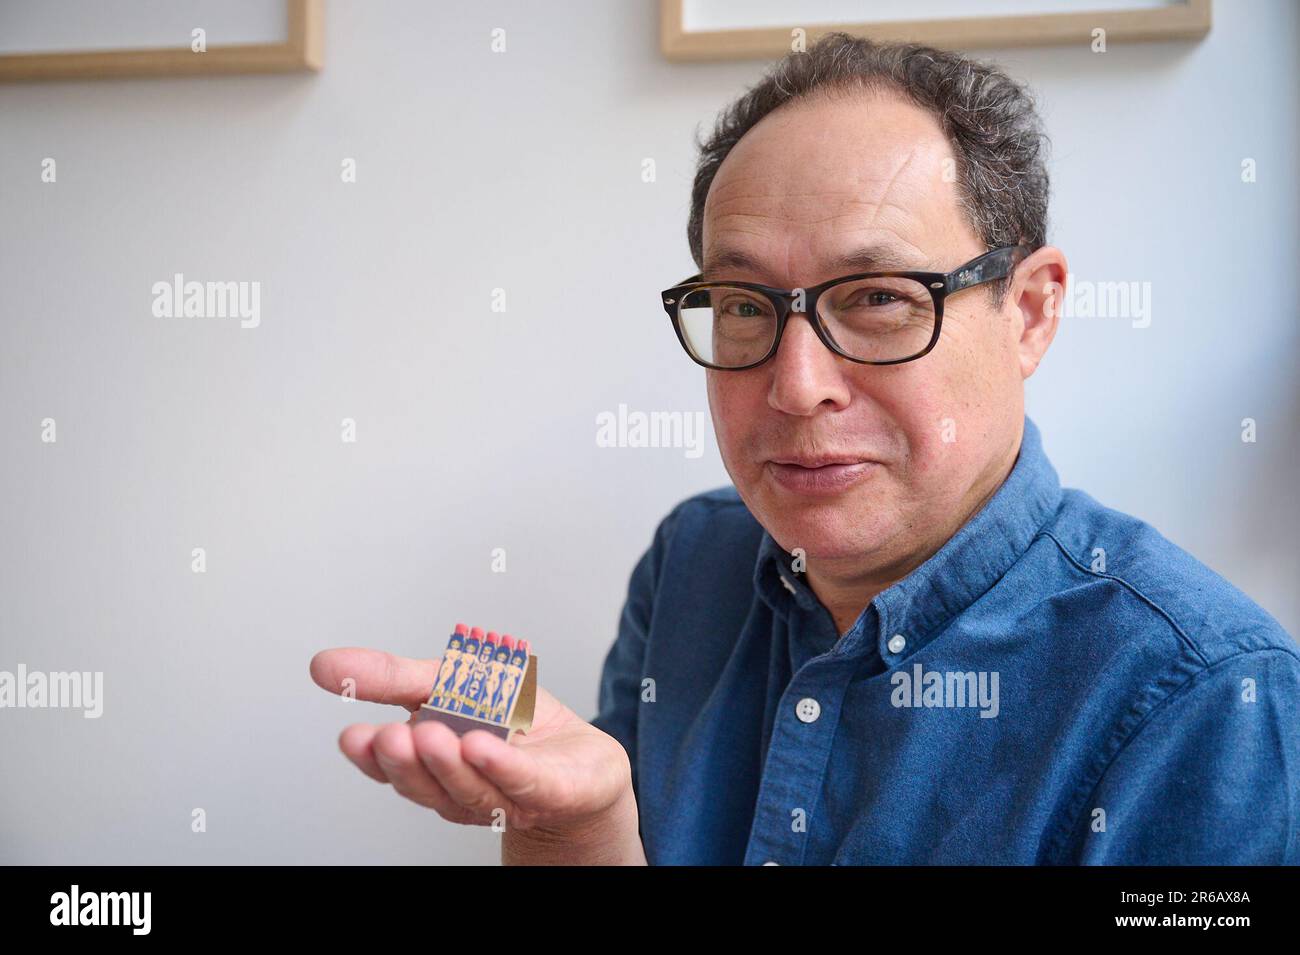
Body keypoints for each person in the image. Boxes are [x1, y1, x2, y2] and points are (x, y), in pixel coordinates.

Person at [309, 33, 1300, 865]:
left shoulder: (1210, 697)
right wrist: (577, 827)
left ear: (1029, 312)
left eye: (875, 299)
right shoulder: (691, 563)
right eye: (744, 307)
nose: (792, 385)